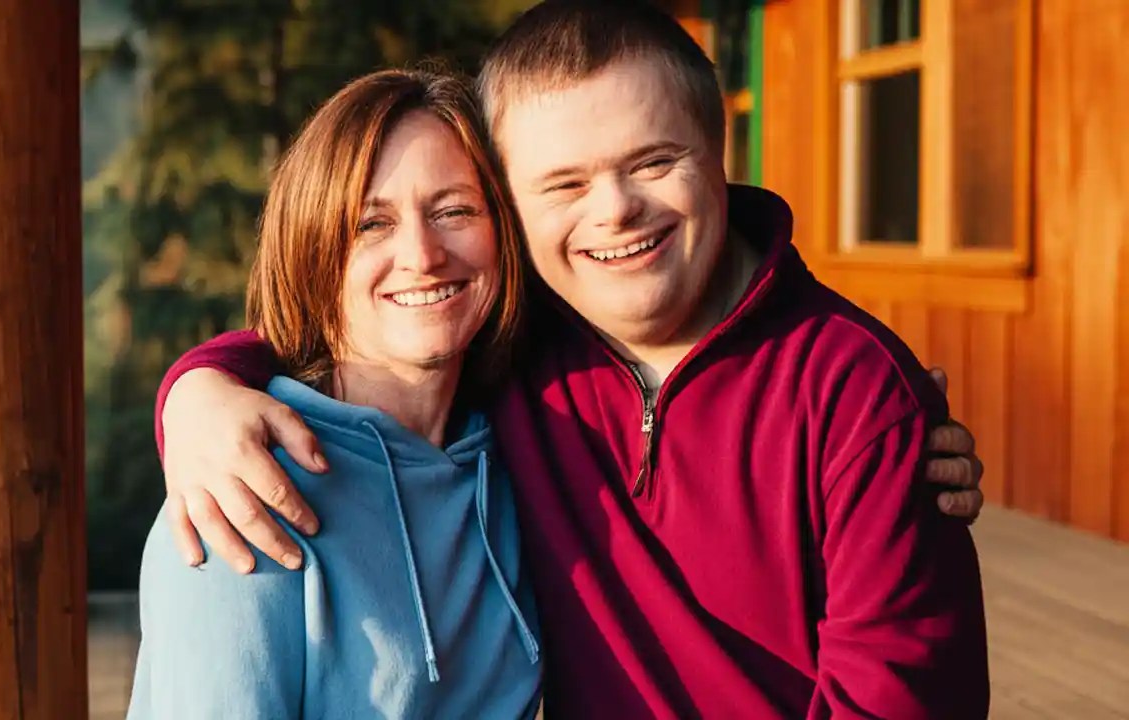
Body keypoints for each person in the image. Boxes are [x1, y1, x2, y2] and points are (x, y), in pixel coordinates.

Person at [153, 1, 990, 717]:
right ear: (519, 208)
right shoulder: (517, 356)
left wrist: (898, 413)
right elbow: (352, 328)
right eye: (563, 184)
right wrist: (197, 391)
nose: (617, 211)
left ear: (718, 151)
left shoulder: (854, 390)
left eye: (654, 162)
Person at [126, 69, 543, 719]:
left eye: (454, 210)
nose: (423, 254)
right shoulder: (240, 490)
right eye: (371, 224)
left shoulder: (518, 449)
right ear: (314, 251)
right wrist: (192, 392)